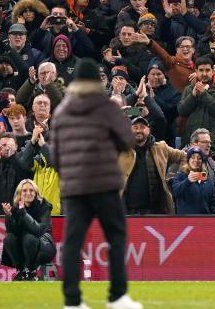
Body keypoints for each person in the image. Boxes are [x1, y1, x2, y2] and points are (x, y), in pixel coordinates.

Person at [53, 59, 142, 309]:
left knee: (72, 243)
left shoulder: (61, 111)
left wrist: (70, 177)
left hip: (74, 189)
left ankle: (72, 301)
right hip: (104, 186)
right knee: (115, 237)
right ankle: (117, 297)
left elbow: (55, 156)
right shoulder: (106, 107)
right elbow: (127, 140)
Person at [1, 179, 56, 281]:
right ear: (19, 194)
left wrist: (24, 213)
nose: (28, 193)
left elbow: (38, 230)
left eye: (31, 190)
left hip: (45, 244)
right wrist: (9, 216)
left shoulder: (44, 206)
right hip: (26, 244)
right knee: (9, 239)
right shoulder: (16, 208)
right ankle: (21, 271)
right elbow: (12, 231)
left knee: (29, 238)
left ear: (36, 193)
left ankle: (30, 271)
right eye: (24, 191)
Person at [169, 146, 215, 214]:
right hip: (186, 220)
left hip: (205, 220)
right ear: (188, 160)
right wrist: (187, 181)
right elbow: (175, 192)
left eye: (199, 158)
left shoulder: (206, 178)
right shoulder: (181, 175)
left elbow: (213, 201)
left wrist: (213, 217)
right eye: (193, 157)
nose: (196, 160)